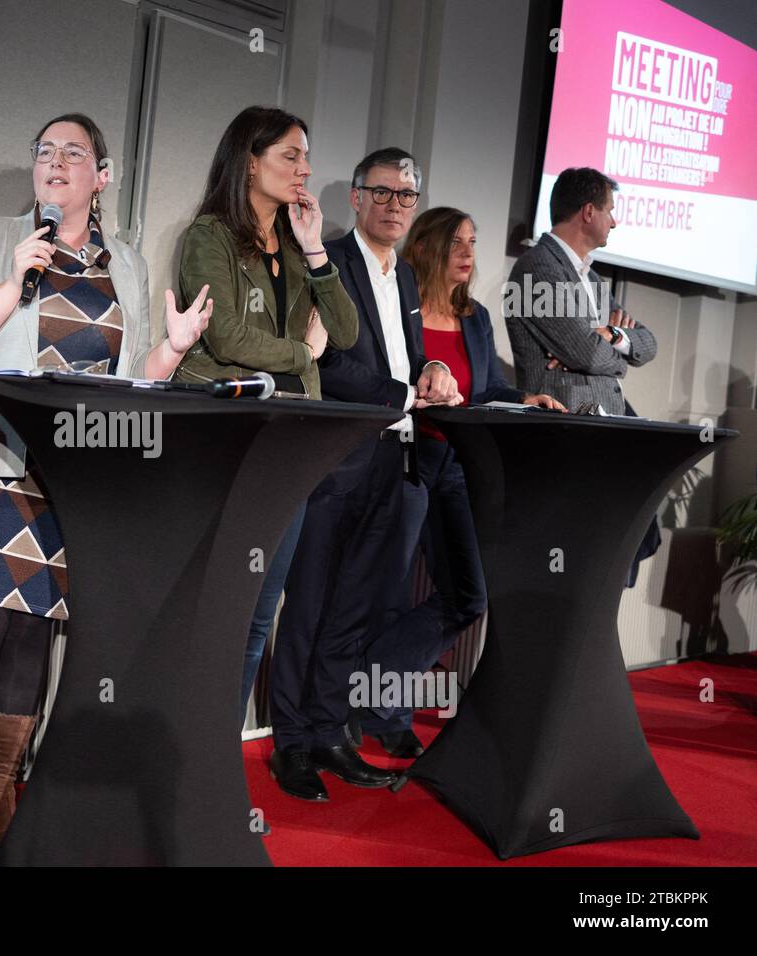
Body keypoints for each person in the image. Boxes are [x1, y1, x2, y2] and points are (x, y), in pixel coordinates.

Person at [0, 112, 211, 866]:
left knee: (30, 635)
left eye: (72, 153)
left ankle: (1, 794)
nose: (54, 162)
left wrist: (172, 351)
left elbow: (131, 386)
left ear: (101, 177)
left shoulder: (129, 264)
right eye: (43, 150)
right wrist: (14, 278)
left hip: (73, 475)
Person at [268, 147, 461, 801]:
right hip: (335, 460)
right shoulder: (325, 261)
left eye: (406, 195)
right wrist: (404, 394)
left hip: (396, 460)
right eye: (382, 193)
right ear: (355, 198)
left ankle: (329, 732)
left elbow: (404, 361)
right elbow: (326, 366)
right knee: (310, 607)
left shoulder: (405, 277)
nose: (395, 206)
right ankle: (291, 744)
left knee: (353, 611)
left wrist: (430, 373)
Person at [172, 105, 358, 718]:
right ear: (250, 162)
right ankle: (183, 745)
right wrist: (303, 354)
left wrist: (316, 254)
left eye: (306, 156)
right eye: (291, 156)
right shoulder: (210, 235)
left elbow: (348, 333)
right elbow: (225, 337)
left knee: (258, 614)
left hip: (289, 442)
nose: (305, 169)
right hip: (227, 435)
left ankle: (215, 756)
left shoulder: (298, 242)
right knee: (214, 610)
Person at [361, 207, 564, 758]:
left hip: (453, 466)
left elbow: (486, 386)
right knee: (388, 591)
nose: (469, 253)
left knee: (468, 596)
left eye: (474, 241)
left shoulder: (474, 316)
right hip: (400, 458)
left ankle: (372, 684)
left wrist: (523, 398)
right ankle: (385, 710)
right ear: (428, 246)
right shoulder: (399, 306)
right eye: (457, 242)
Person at [505, 167, 656, 414]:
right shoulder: (537, 268)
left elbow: (649, 344)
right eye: (609, 211)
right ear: (588, 212)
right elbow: (588, 355)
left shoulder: (592, 279)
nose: (614, 222)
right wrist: (614, 353)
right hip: (563, 424)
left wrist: (612, 334)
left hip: (598, 424)